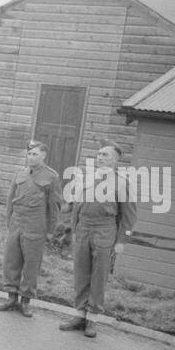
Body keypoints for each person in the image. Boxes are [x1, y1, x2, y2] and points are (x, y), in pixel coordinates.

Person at [59, 140, 137, 337]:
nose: (100, 158)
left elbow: (129, 215)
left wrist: (121, 241)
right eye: (99, 154)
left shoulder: (122, 183)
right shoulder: (86, 179)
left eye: (106, 155)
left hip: (105, 230)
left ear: (116, 160)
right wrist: (75, 230)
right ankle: (78, 316)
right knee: (81, 273)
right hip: (84, 229)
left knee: (99, 276)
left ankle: (92, 319)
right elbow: (77, 206)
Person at [0, 140, 62, 316]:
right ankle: (11, 297)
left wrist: (50, 230)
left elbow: (54, 206)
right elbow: (10, 199)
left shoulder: (51, 176)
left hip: (35, 225)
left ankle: (25, 301)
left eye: (35, 154)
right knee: (11, 260)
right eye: (29, 154)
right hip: (17, 222)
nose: (31, 157)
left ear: (44, 156)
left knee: (31, 264)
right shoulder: (20, 174)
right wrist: (9, 221)